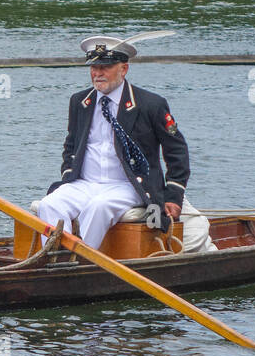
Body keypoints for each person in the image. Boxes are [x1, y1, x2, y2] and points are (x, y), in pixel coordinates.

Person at [37, 35, 190, 250]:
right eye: (94, 66)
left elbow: (177, 151)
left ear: (124, 69)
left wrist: (173, 195)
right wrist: (68, 174)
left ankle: (81, 262)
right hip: (84, 183)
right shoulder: (80, 101)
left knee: (98, 207)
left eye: (105, 67)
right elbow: (70, 145)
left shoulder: (150, 104)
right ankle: (54, 260)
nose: (98, 73)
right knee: (49, 204)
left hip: (128, 185)